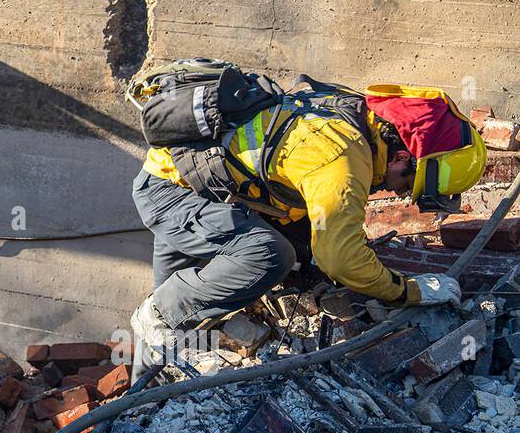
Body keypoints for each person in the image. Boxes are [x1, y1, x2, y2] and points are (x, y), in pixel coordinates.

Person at [130, 79, 487, 352]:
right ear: (400, 158)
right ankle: (160, 313)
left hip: (211, 186)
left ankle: (145, 393)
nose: (400, 194)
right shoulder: (343, 158)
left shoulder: (356, 116)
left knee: (304, 250)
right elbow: (342, 259)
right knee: (269, 255)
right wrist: (407, 292)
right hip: (175, 193)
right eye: (407, 183)